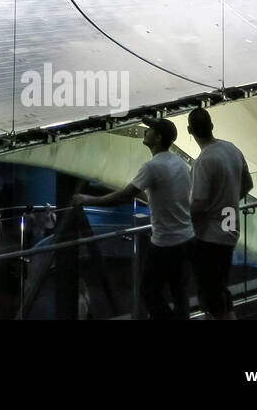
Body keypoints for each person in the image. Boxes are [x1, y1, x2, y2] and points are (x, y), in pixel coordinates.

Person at [72, 117, 193, 320]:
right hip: (186, 239)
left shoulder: (152, 167)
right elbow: (169, 194)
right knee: (180, 294)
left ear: (158, 137)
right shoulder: (179, 163)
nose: (146, 131)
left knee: (149, 292)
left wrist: (88, 199)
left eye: (150, 129)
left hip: (164, 242)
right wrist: (145, 195)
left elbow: (123, 196)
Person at [187, 106, 253, 320]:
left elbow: (199, 203)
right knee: (219, 286)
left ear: (189, 130)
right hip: (230, 227)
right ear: (212, 126)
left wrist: (185, 224)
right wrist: (228, 201)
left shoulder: (204, 161)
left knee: (210, 291)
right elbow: (248, 184)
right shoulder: (231, 149)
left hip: (209, 235)